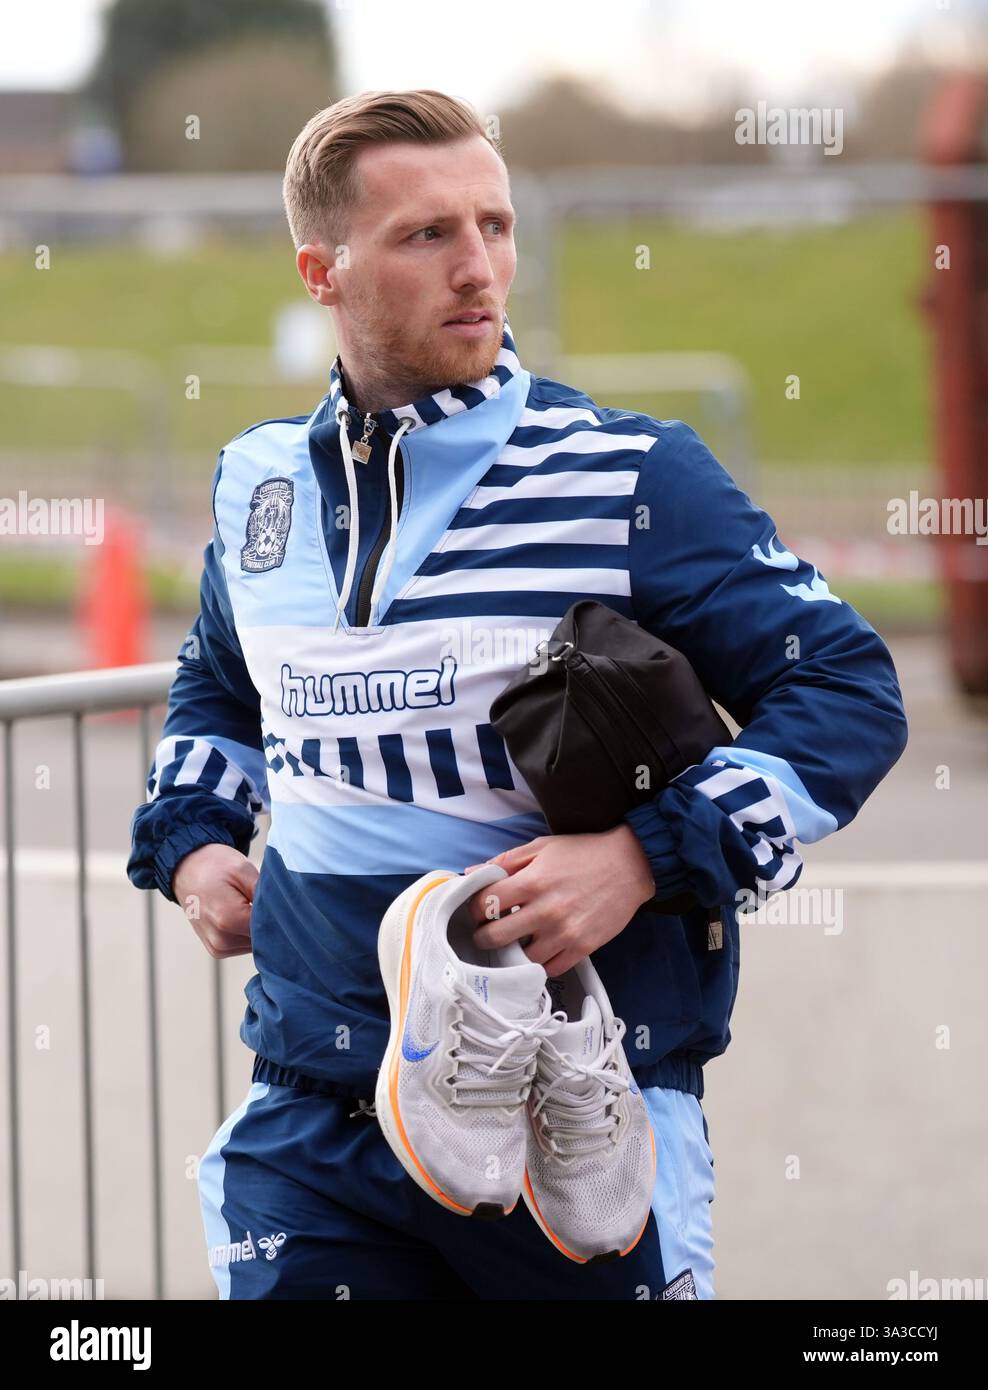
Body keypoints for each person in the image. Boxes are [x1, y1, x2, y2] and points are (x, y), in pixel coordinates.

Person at [127, 88, 908, 1301]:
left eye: (493, 224)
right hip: (310, 1116)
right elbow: (220, 686)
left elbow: (847, 687)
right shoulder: (254, 485)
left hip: (576, 1123)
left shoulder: (631, 471)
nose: (479, 266)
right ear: (321, 271)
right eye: (426, 234)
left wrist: (643, 857)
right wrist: (192, 843)